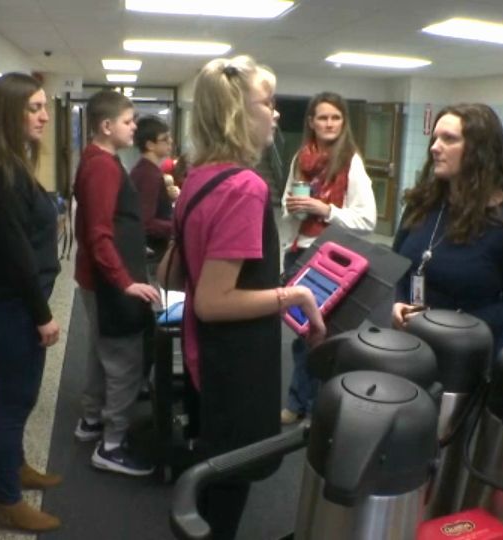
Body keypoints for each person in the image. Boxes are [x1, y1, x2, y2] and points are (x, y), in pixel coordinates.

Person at [157, 55, 326, 540]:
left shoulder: (198, 176)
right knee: (229, 483)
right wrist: (296, 295)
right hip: (233, 360)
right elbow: (213, 300)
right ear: (235, 112)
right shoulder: (244, 187)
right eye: (267, 102)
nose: (276, 113)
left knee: (215, 474)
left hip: (203, 354)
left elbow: (180, 268)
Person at [0, 72, 62, 532]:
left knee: (17, 396)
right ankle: (7, 500)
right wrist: (42, 317)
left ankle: (16, 465)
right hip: (11, 307)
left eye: (44, 106)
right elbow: (16, 252)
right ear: (9, 113)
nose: (44, 115)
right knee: (14, 402)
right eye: (34, 108)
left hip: (17, 302)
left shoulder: (10, 162)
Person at [392, 103, 503, 351]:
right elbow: (398, 265)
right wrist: (399, 302)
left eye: (448, 139)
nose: (434, 147)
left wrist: (450, 324)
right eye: (435, 138)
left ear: (481, 151)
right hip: (408, 343)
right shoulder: (423, 203)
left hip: (465, 352)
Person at [73, 89, 160, 477]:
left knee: (100, 351)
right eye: (129, 121)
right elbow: (98, 234)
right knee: (124, 359)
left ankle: (92, 420)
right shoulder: (103, 167)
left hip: (102, 278)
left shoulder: (100, 161)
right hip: (109, 281)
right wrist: (125, 282)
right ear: (107, 126)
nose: (134, 127)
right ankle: (111, 444)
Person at [279, 91, 378, 425]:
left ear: (343, 122)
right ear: (311, 122)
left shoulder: (351, 161)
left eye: (336, 117)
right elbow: (286, 204)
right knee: (302, 335)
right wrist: (293, 208)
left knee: (326, 338)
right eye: (323, 117)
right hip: (300, 253)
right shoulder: (301, 158)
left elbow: (366, 220)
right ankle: (299, 402)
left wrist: (327, 210)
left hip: (333, 261)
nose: (329, 123)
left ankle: (320, 408)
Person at [131, 115, 175, 256]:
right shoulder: (149, 175)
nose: (170, 142)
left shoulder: (146, 169)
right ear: (150, 145)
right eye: (165, 139)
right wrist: (177, 225)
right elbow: (146, 222)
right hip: (153, 249)